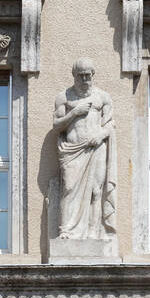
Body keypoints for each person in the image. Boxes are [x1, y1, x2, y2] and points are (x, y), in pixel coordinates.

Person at [53, 57, 115, 240]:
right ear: (74, 75)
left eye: (88, 75)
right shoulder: (64, 97)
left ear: (93, 74)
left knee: (96, 191)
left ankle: (93, 232)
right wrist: (74, 113)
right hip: (72, 150)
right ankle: (65, 230)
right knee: (68, 188)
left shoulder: (103, 97)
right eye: (80, 76)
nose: (85, 79)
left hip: (96, 148)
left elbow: (110, 125)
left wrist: (100, 135)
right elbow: (57, 125)